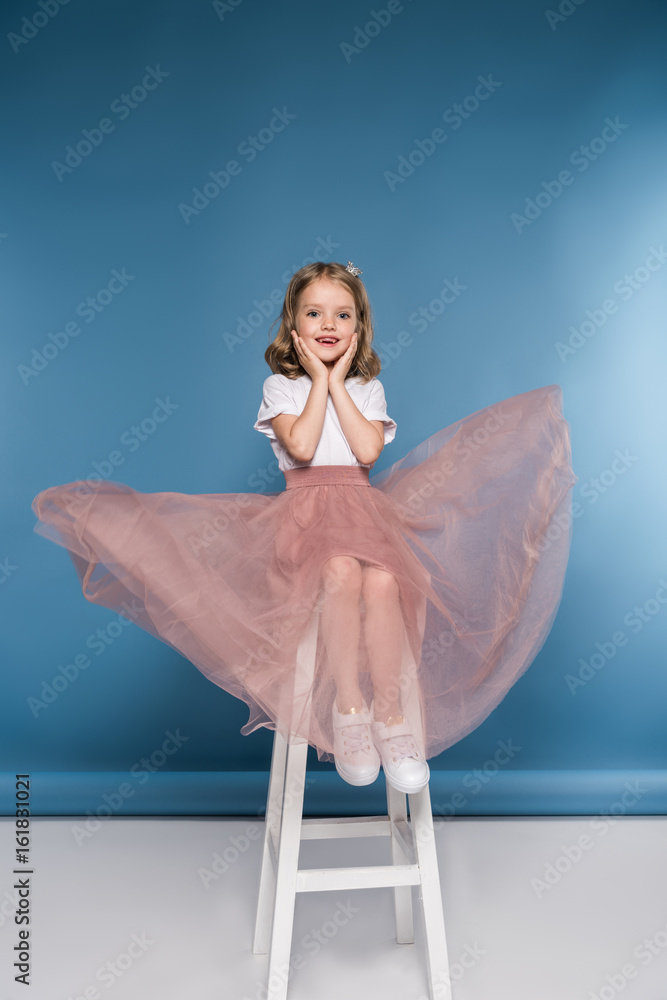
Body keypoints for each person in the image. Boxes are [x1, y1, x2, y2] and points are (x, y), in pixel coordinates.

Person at [31, 260, 577, 796]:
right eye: (315, 314)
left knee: (384, 580)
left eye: (342, 316)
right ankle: (349, 712)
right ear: (294, 328)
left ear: (357, 329)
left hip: (364, 513)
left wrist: (340, 381)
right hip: (304, 519)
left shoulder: (368, 390)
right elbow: (302, 446)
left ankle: (391, 719)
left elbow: (365, 451)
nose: (328, 326)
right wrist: (317, 377)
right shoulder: (281, 389)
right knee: (340, 571)